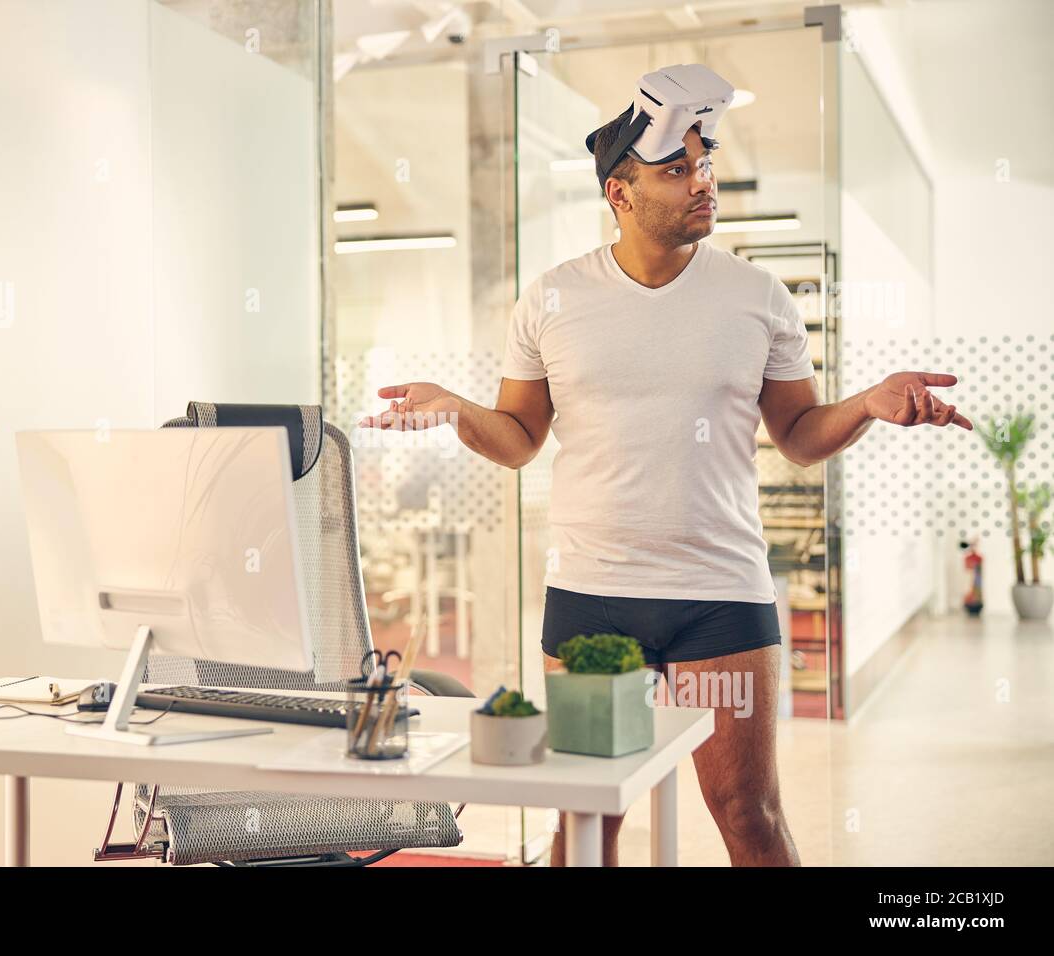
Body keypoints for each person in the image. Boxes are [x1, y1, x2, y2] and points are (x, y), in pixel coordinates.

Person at [359, 68, 971, 867]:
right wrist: (456, 409)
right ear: (620, 193)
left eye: (703, 164)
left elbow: (797, 434)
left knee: (747, 814)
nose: (702, 183)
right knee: (587, 817)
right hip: (589, 599)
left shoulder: (758, 297)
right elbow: (517, 439)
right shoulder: (552, 299)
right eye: (676, 170)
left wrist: (864, 404)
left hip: (720, 599)